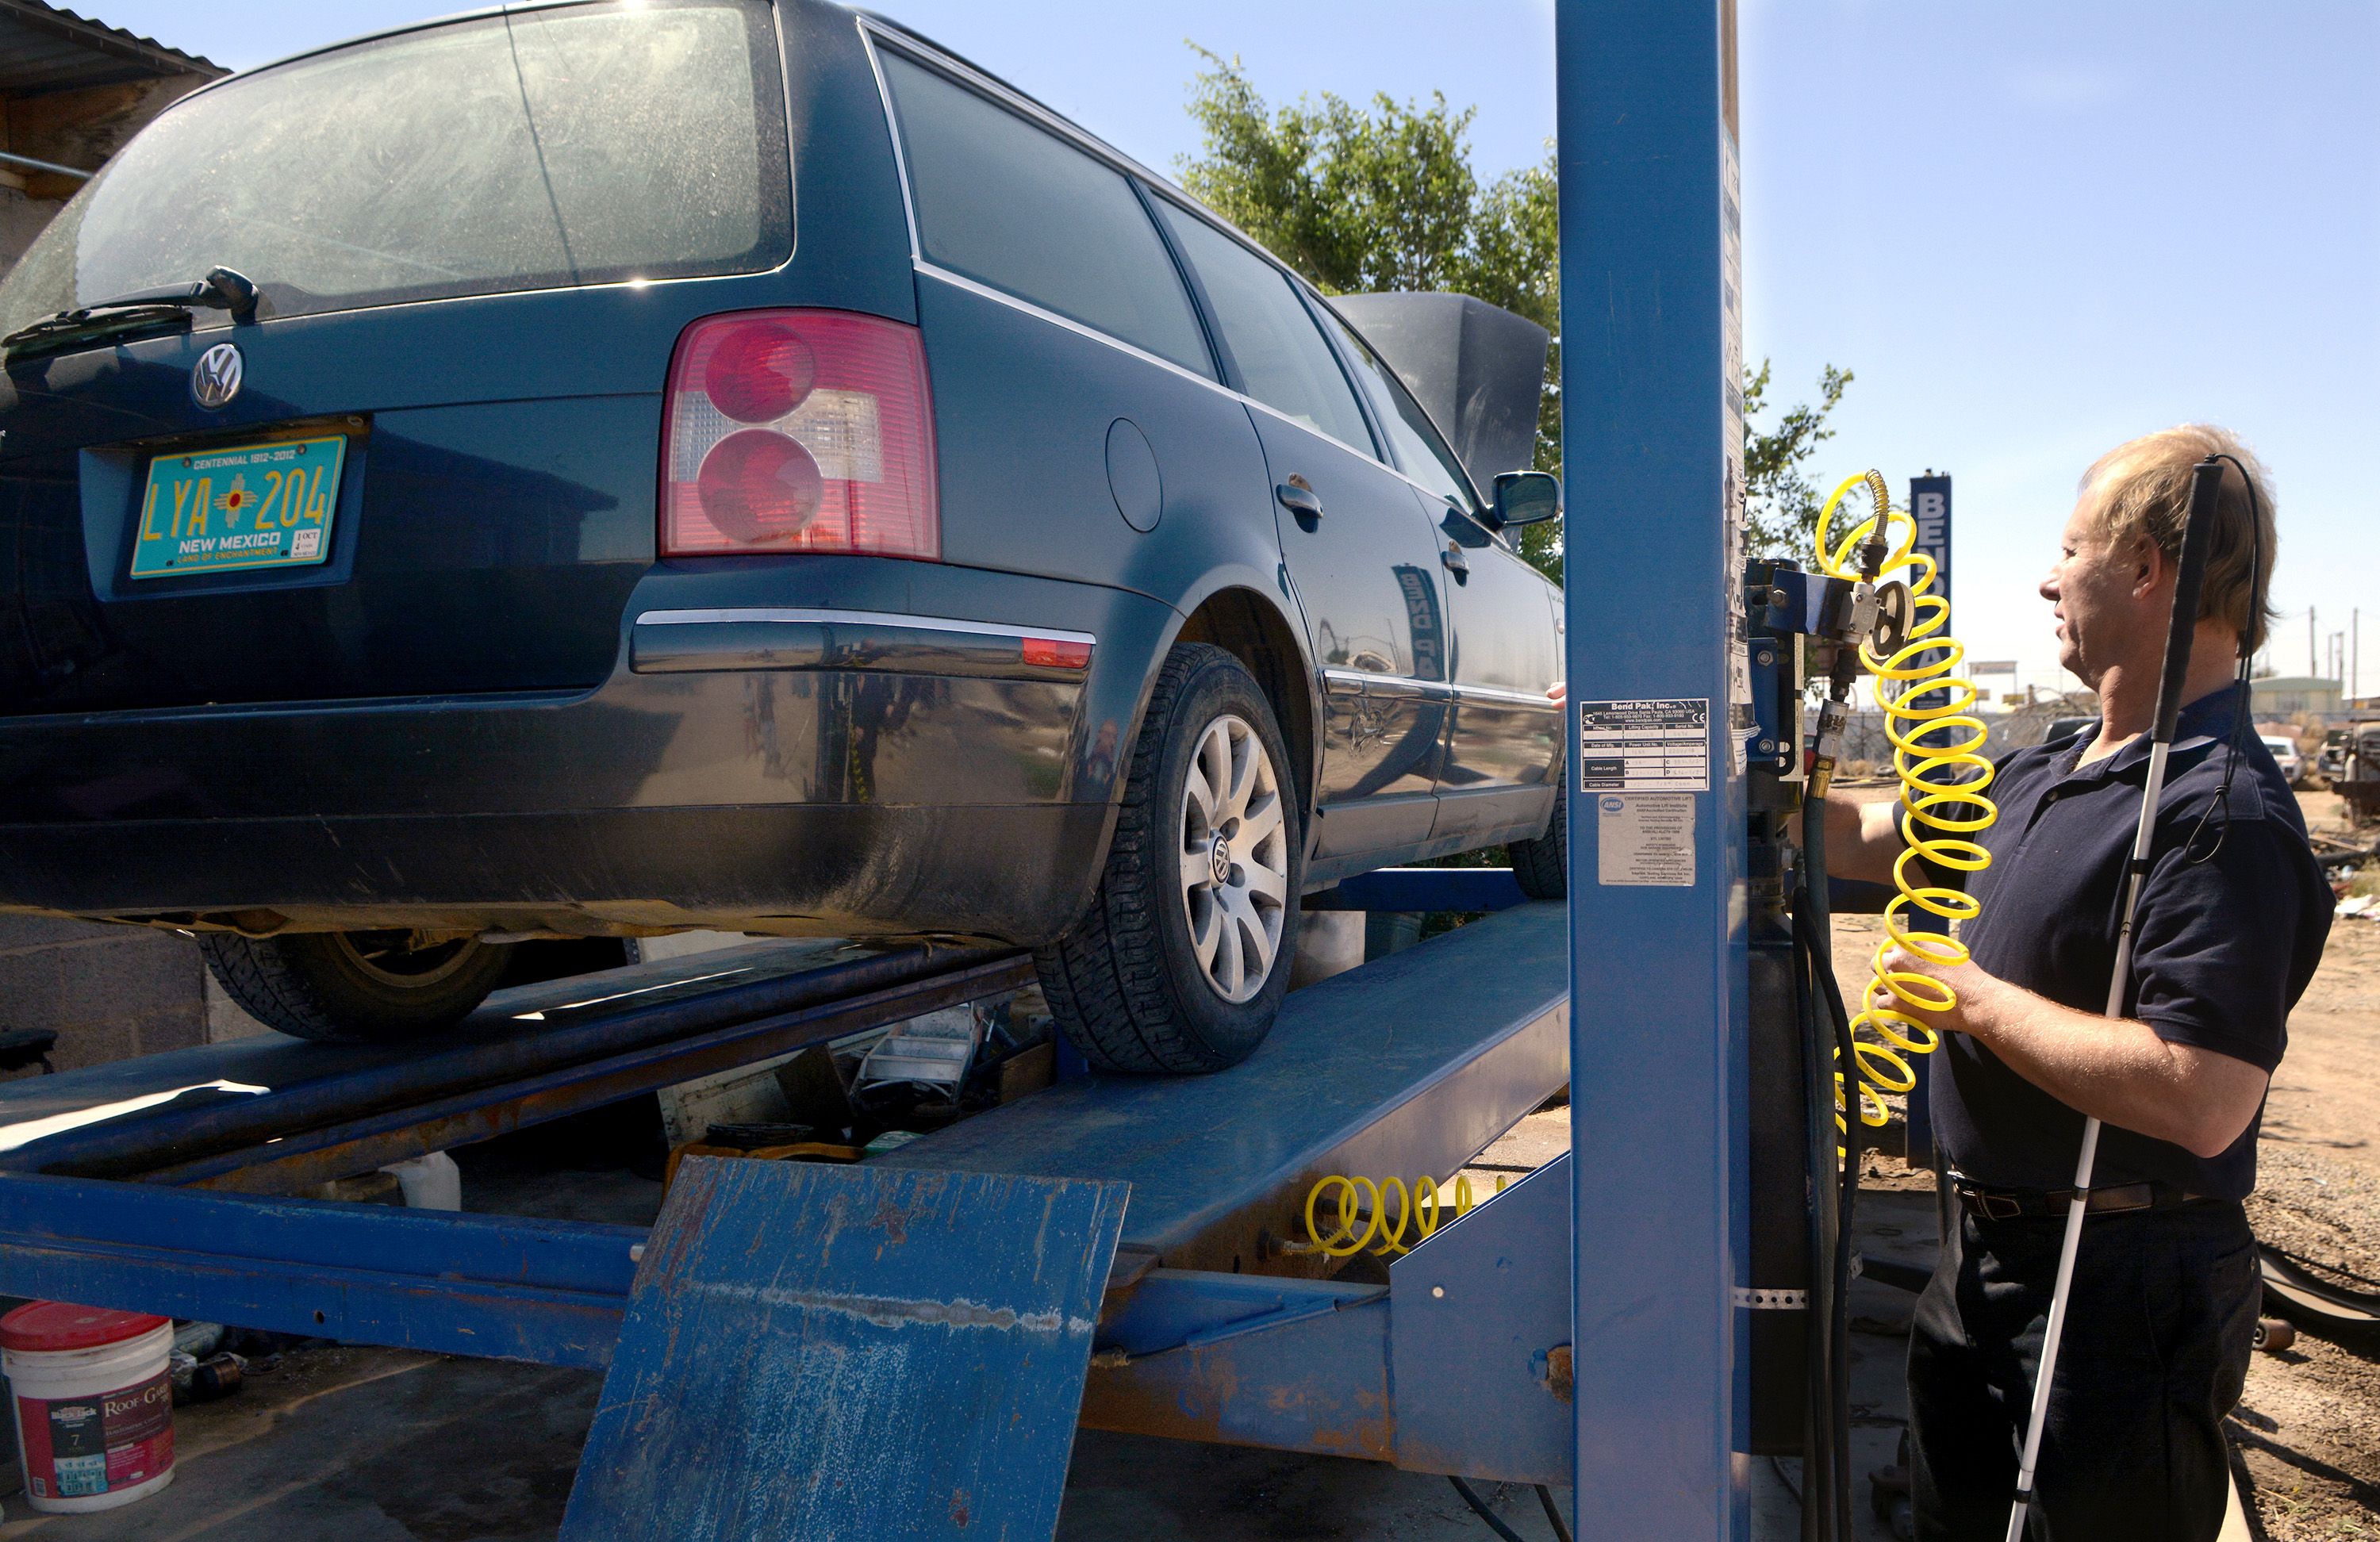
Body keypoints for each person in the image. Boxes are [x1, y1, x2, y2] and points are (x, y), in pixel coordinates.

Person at [1821, 425, 2332, 1540]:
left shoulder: (2218, 811)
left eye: (2070, 548)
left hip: (2117, 1293)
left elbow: (2201, 1094)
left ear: (2149, 567)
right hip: (1987, 1259)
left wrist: (1973, 1001)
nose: (2047, 578)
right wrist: (1652, 754)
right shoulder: (2050, 764)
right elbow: (1867, 833)